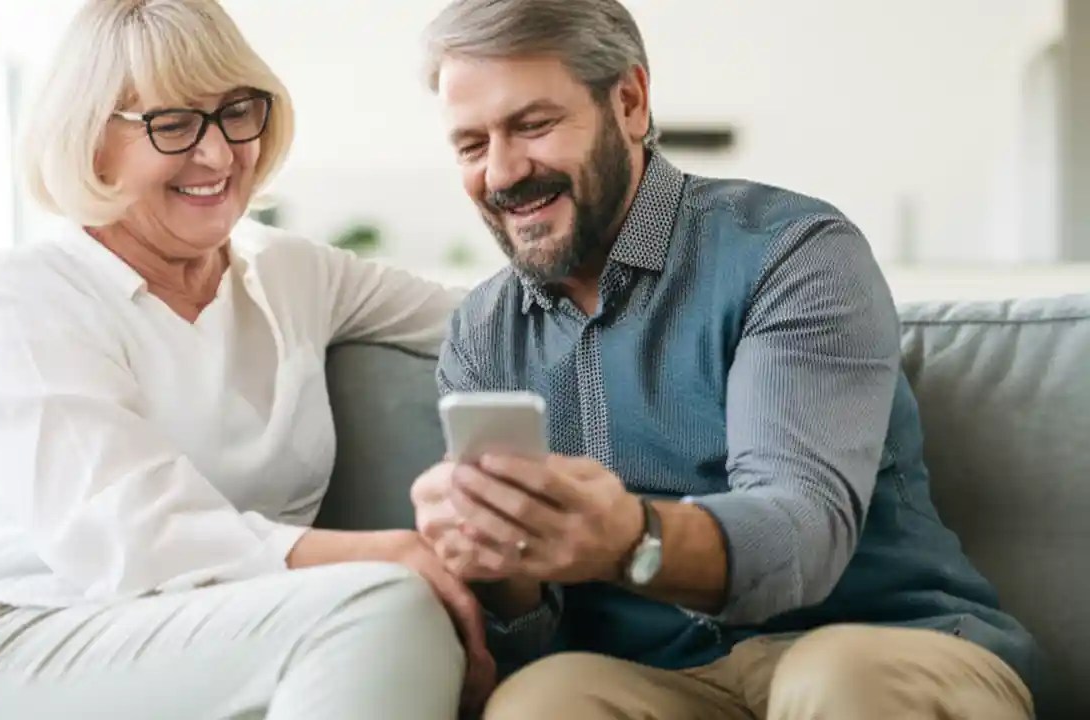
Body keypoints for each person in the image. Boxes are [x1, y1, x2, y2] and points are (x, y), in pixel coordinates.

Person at [410, 1, 1040, 718]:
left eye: (534, 125)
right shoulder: (483, 334)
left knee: (836, 677)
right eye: (471, 145)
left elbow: (800, 536)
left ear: (629, 101)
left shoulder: (792, 253)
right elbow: (526, 633)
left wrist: (630, 539)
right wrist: (492, 558)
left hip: (880, 641)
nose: (501, 172)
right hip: (659, 682)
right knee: (540, 701)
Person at [0, 1, 497, 718]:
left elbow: (490, 322)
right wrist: (388, 554)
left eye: (237, 111)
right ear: (90, 142)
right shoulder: (26, 293)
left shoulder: (293, 273)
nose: (220, 154)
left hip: (217, 647)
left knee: (383, 607)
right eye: (173, 124)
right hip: (4, 647)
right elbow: (133, 533)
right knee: (382, 606)